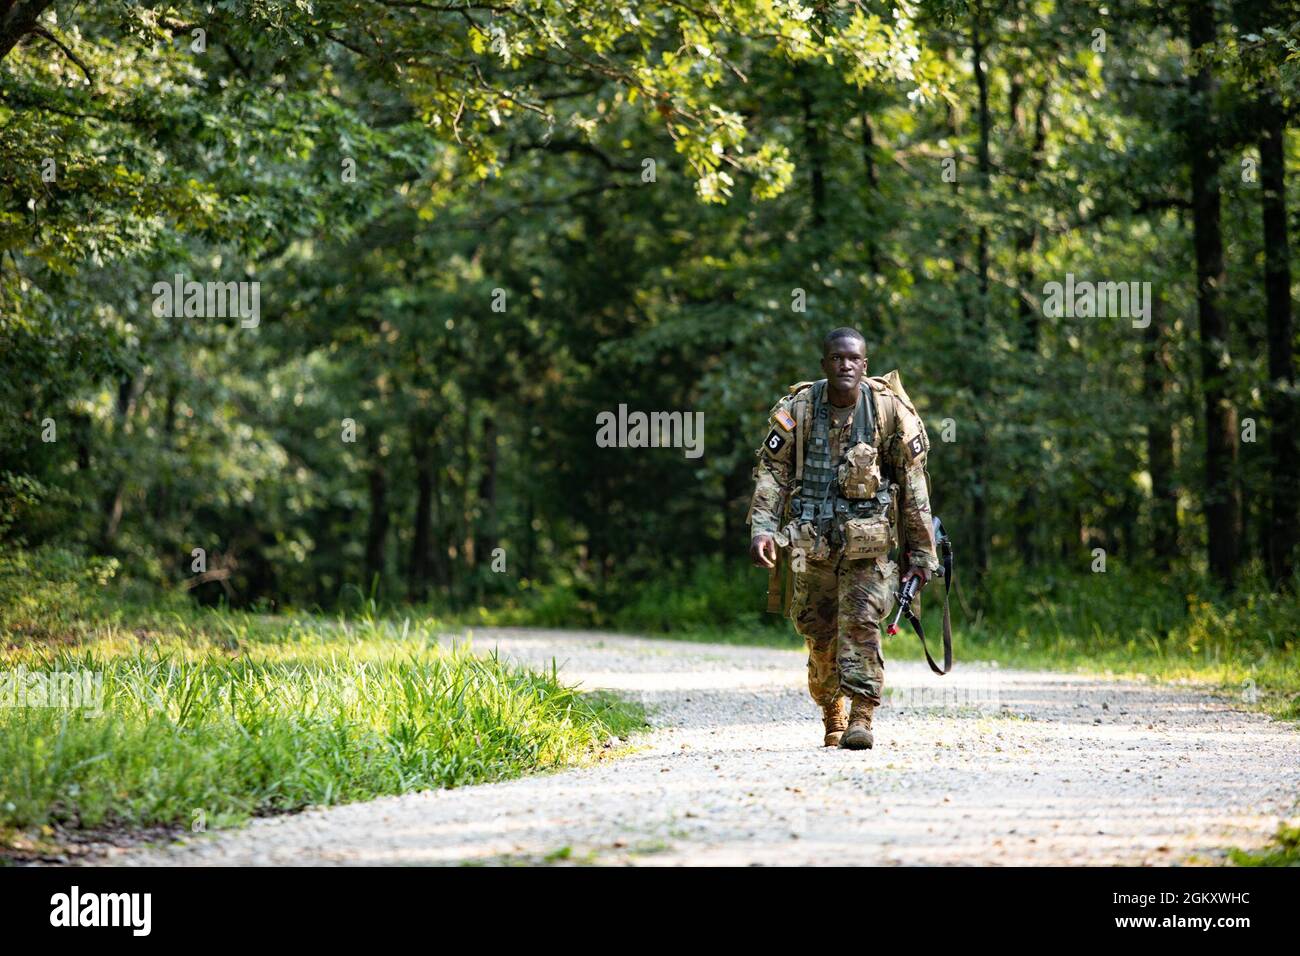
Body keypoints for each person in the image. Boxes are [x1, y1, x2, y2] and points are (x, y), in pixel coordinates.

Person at [747, 327, 939, 749]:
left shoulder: (890, 411)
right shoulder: (799, 408)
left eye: (853, 358)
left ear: (864, 364)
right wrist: (762, 527)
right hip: (812, 545)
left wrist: (922, 553)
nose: (845, 365)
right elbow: (772, 472)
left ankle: (861, 717)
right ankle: (831, 709)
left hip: (869, 548)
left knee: (863, 624)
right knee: (819, 632)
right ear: (824, 364)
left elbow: (913, 485)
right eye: (836, 358)